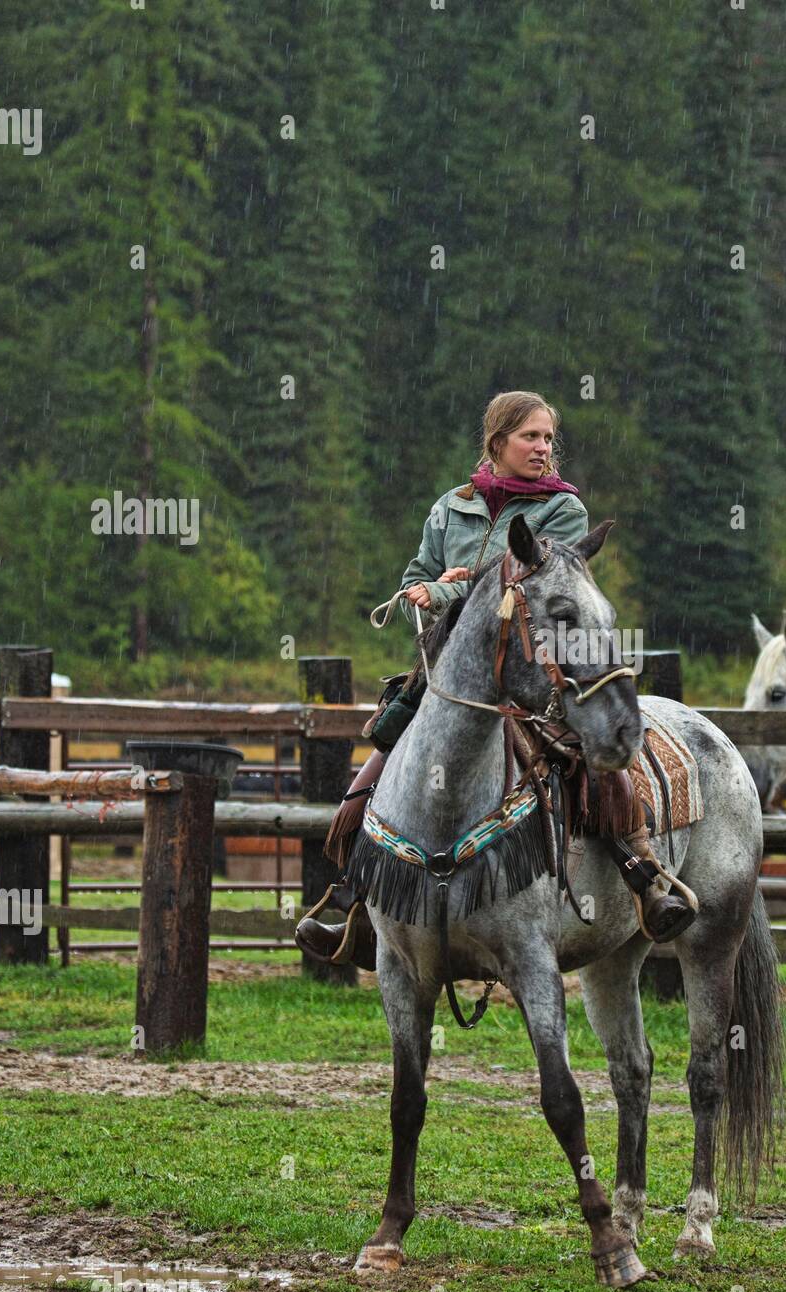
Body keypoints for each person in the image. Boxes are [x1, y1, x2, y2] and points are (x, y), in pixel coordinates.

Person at [297, 391, 697, 967]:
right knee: (383, 762)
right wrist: (424, 590)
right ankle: (355, 894)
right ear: (497, 442)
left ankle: (643, 874)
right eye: (530, 437)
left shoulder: (564, 511)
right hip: (451, 673)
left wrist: (454, 587)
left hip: (538, 668)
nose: (542, 448)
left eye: (547, 438)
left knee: (590, 756)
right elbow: (418, 573)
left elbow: (533, 583)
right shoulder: (451, 507)